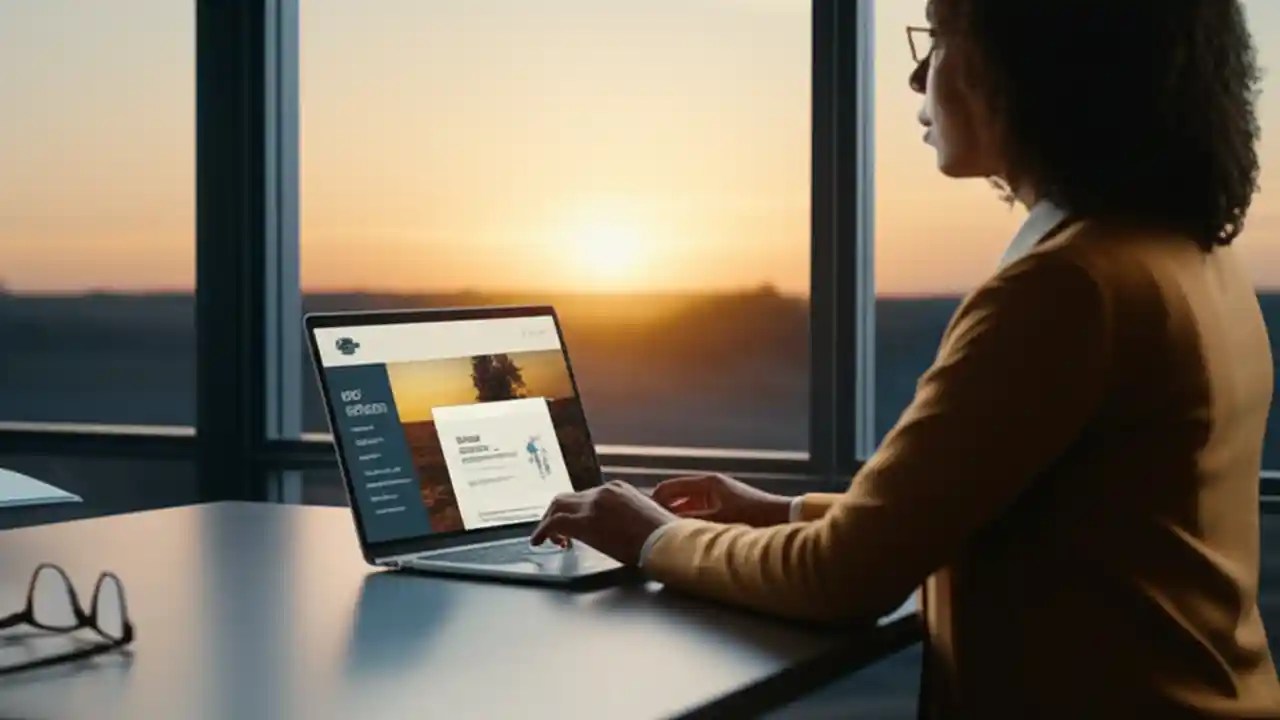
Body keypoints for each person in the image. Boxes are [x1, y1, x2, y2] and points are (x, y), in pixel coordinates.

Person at [532, 0, 1280, 715]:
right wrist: (781, 512)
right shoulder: (1187, 260)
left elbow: (841, 578)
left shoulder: (1066, 289)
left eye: (939, 39)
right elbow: (1024, 519)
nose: (919, 77)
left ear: (1026, 63)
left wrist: (651, 535)